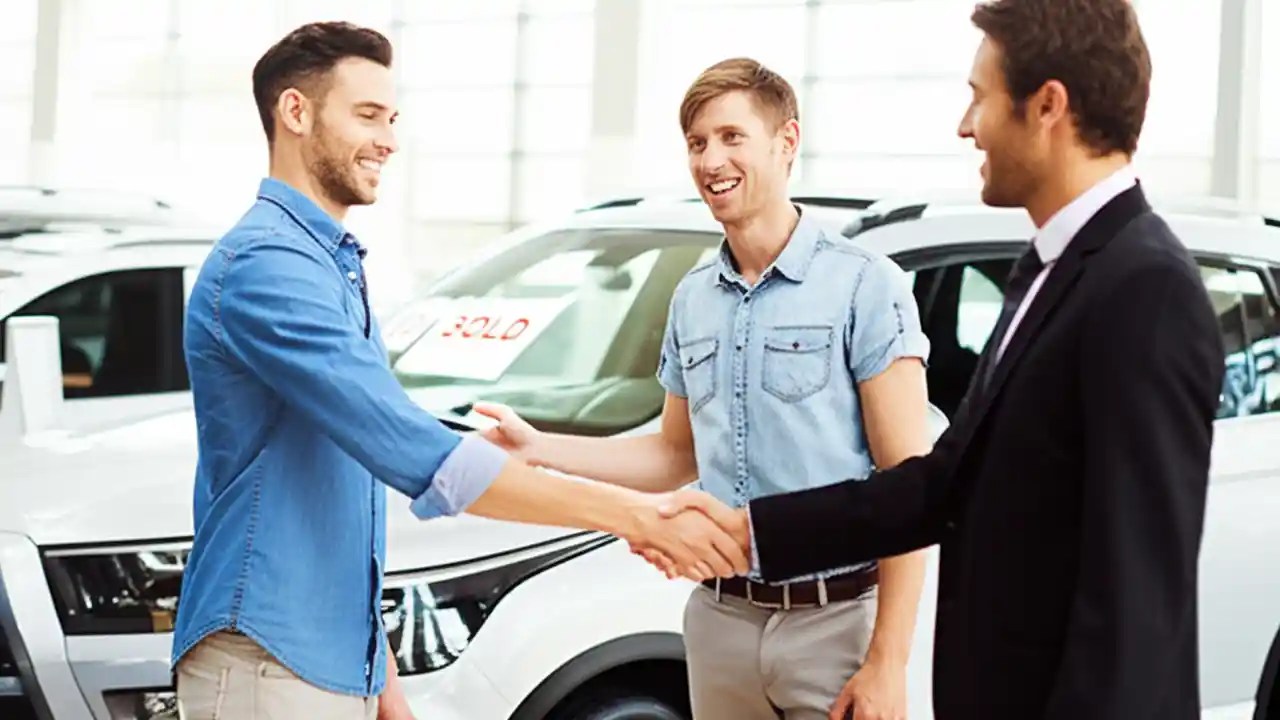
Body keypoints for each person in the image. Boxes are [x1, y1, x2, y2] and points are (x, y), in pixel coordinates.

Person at [663, 2, 1226, 719]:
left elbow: (1135, 603)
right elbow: (942, 486)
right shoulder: (1049, 272)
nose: (966, 126)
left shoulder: (1146, 288)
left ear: (1047, 106)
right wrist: (752, 533)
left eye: (979, 97)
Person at [171, 21, 747, 720]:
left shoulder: (324, 262)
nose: (389, 140)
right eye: (368, 115)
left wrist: (381, 680)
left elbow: (339, 492)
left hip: (319, 660)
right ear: (296, 111)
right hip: (268, 661)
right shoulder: (267, 266)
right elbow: (413, 449)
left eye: (391, 119)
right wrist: (640, 518)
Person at [476, 57, 932, 720]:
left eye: (731, 136)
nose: (710, 160)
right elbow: (672, 455)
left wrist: (887, 662)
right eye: (696, 143)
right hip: (721, 623)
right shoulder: (693, 299)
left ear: (786, 141)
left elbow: (910, 488)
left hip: (836, 625)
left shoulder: (865, 284)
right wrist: (541, 448)